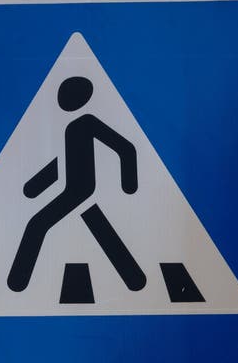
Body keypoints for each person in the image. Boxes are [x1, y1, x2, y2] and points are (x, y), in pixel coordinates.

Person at [7, 76, 146, 293]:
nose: (61, 100)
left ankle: (16, 283)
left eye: (65, 94)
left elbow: (125, 148)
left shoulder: (87, 122)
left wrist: (129, 183)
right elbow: (62, 163)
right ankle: (136, 280)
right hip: (75, 189)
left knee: (37, 225)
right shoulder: (71, 127)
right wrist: (34, 187)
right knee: (100, 228)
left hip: (80, 189)